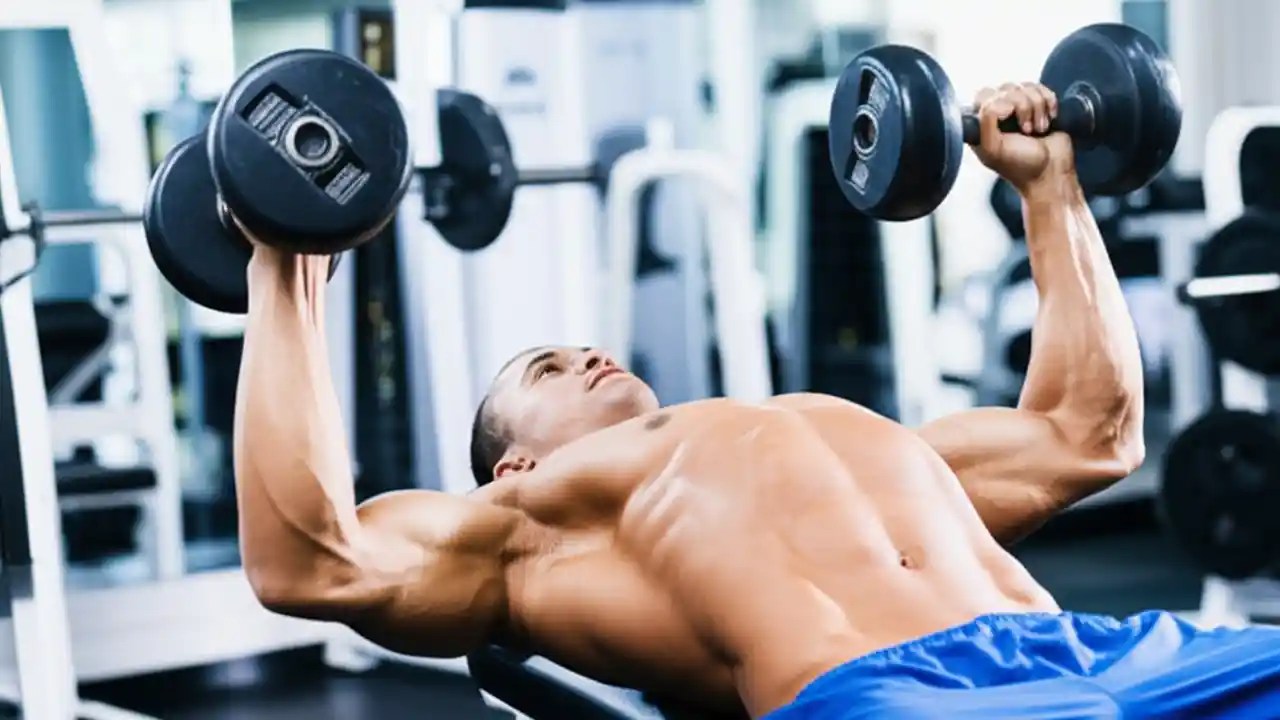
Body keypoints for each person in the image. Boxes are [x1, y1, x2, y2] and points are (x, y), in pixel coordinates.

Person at [233, 82, 1280, 719]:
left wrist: (1046, 187)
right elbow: (310, 561)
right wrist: (289, 257)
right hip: (893, 699)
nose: (587, 353)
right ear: (517, 463)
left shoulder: (832, 441)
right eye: (547, 370)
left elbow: (1084, 434)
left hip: (1102, 650)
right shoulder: (527, 527)